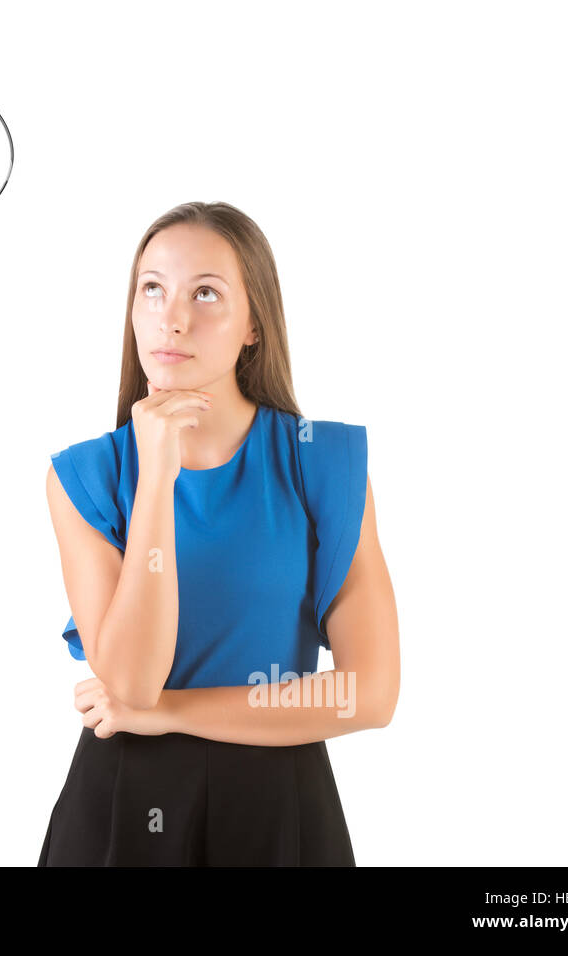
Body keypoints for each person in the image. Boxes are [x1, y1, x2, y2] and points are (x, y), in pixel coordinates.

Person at [37, 201, 399, 866]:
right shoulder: (84, 475)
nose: (172, 317)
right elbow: (133, 682)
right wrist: (154, 477)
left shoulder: (320, 462)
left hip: (279, 805)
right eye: (153, 289)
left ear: (254, 324)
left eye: (205, 293)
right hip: (121, 806)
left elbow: (368, 695)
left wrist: (172, 712)